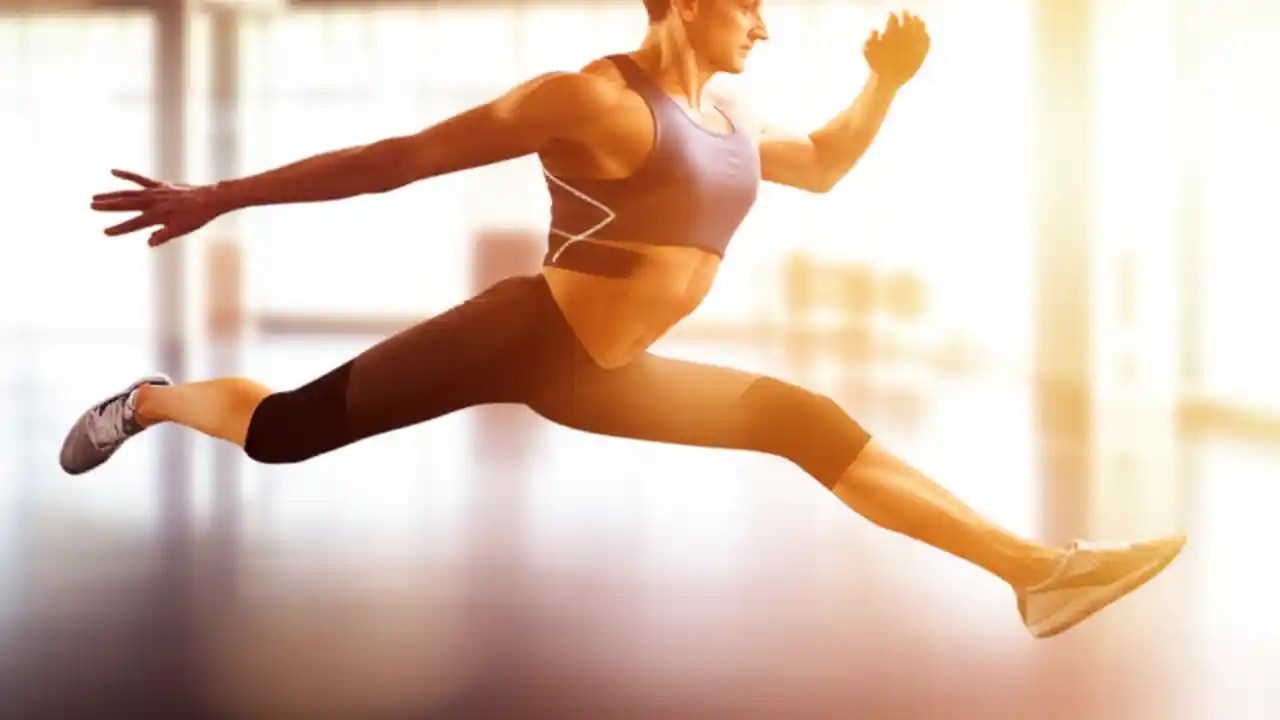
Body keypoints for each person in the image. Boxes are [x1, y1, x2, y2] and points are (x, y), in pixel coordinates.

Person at [65, 1, 1183, 639]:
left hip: (602, 371)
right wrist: (220, 197)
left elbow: (832, 166)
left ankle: (1037, 574)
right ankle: (149, 402)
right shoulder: (590, 99)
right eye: (747, 2)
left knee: (805, 419)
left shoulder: (731, 117)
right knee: (283, 434)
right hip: (524, 331)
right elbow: (393, 161)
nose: (764, 23)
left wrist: (883, 84)